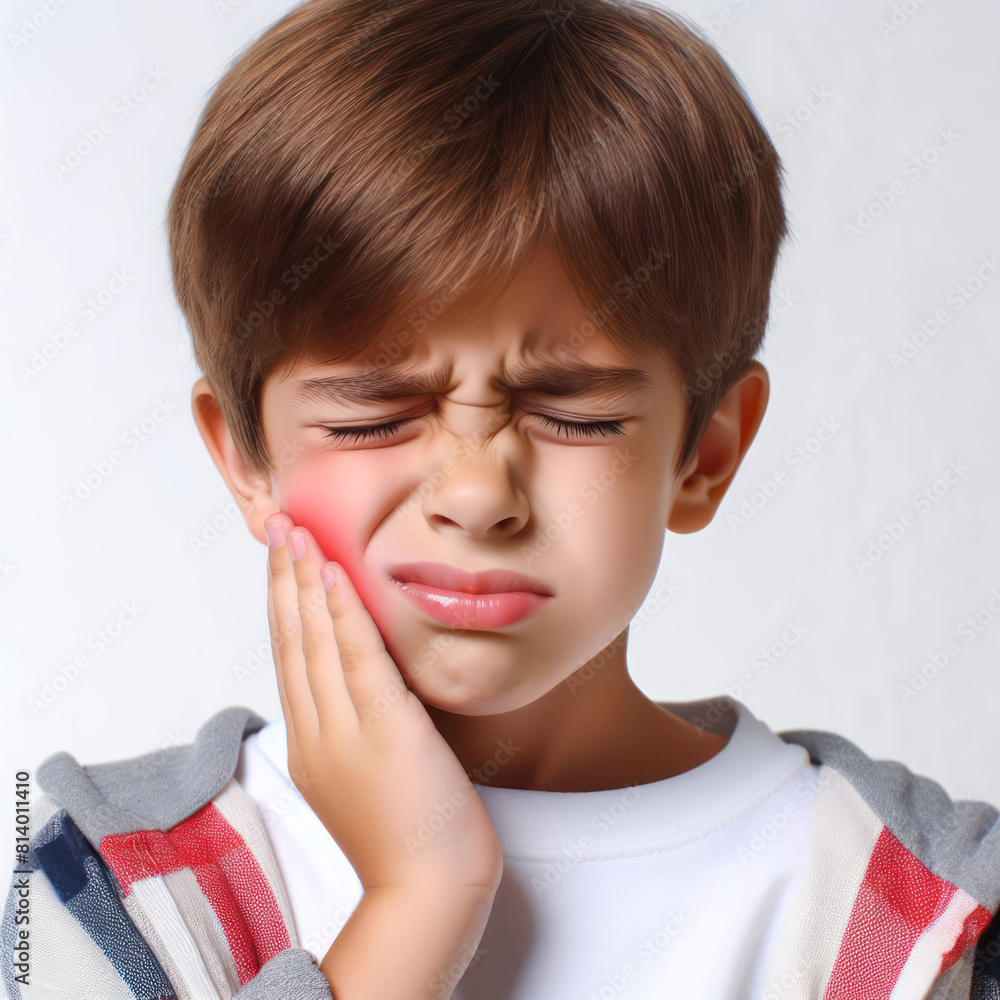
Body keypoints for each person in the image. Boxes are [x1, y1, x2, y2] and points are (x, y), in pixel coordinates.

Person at [6, 1, 1000, 998]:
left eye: (571, 413)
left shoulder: (913, 909)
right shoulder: (112, 890)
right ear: (247, 457)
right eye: (370, 416)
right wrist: (417, 900)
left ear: (703, 450)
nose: (478, 494)